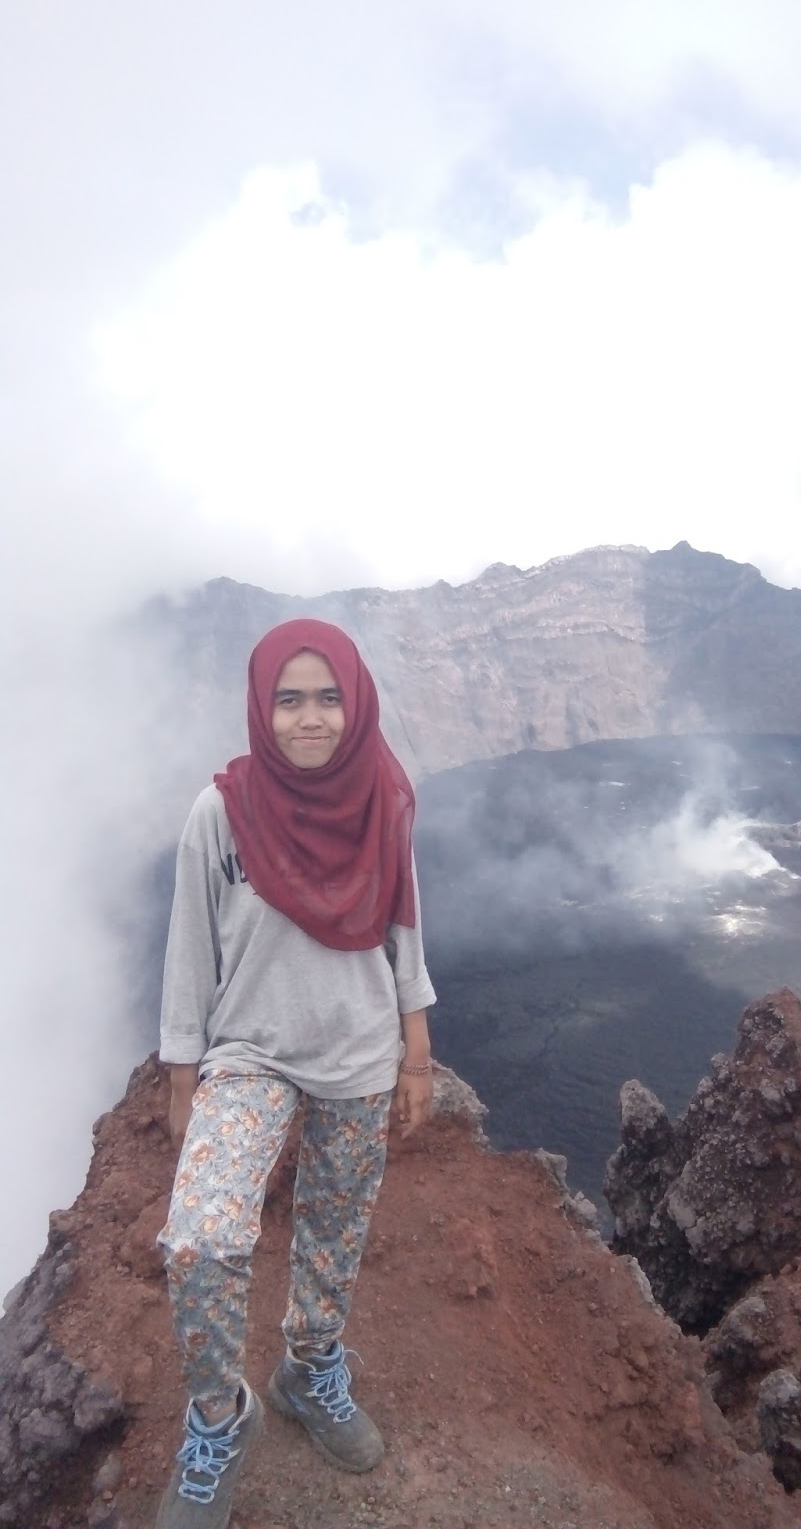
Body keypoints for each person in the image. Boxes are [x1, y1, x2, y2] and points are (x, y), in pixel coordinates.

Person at [154, 618, 436, 1529]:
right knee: (198, 1237)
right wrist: (181, 1076)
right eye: (288, 700)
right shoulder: (221, 811)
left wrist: (417, 1051)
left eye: (327, 698)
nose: (309, 718)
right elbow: (188, 949)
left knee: (332, 1234)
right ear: (260, 706)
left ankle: (310, 1370)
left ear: (354, 707)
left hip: (359, 1051)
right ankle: (218, 1417)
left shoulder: (382, 795)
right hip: (251, 1053)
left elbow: (403, 924)